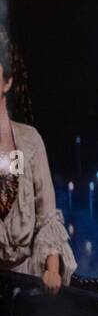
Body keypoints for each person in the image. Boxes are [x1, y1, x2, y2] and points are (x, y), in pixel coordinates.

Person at [0, 30, 76, 292]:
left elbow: (47, 220)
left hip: (26, 285)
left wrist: (52, 271)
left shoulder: (30, 142)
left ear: (7, 82)